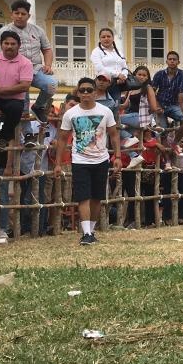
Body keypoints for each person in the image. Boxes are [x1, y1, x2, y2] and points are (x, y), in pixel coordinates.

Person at [55, 77, 122, 245]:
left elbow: (114, 135)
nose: (85, 93)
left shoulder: (105, 111)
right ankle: (86, 233)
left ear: (95, 93)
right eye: (82, 90)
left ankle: (90, 231)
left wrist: (118, 157)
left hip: (101, 159)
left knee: (97, 197)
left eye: (89, 90)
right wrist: (57, 163)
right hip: (80, 160)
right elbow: (62, 139)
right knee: (83, 196)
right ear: (78, 93)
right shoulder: (71, 114)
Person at [0, 0, 55, 122]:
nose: (20, 16)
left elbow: (47, 49)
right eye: (17, 13)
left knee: (51, 85)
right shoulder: (3, 32)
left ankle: (38, 107)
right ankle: (25, 136)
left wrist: (47, 65)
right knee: (22, 110)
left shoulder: (38, 30)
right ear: (12, 14)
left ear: (28, 16)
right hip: (15, 72)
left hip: (36, 69)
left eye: (23, 14)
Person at [118, 66, 160, 135]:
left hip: (141, 117)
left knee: (114, 121)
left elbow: (153, 108)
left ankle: (129, 137)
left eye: (144, 75)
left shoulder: (148, 88)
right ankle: (131, 138)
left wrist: (147, 115)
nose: (141, 77)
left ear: (147, 77)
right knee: (115, 125)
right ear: (134, 75)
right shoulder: (131, 88)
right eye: (139, 75)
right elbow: (125, 105)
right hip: (131, 116)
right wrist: (114, 106)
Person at [151, 51, 183, 129]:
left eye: (174, 59)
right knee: (162, 131)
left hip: (174, 105)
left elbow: (181, 93)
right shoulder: (159, 74)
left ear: (178, 62)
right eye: (170, 59)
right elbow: (152, 92)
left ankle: (176, 140)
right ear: (166, 61)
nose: (172, 61)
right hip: (160, 105)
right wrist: (157, 106)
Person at [89, 27, 129, 101]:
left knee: (116, 105)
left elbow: (125, 67)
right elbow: (100, 68)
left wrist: (123, 76)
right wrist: (117, 75)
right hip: (103, 82)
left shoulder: (118, 52)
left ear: (113, 38)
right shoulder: (96, 51)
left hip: (118, 83)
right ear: (100, 39)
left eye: (108, 36)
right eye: (103, 37)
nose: (106, 39)